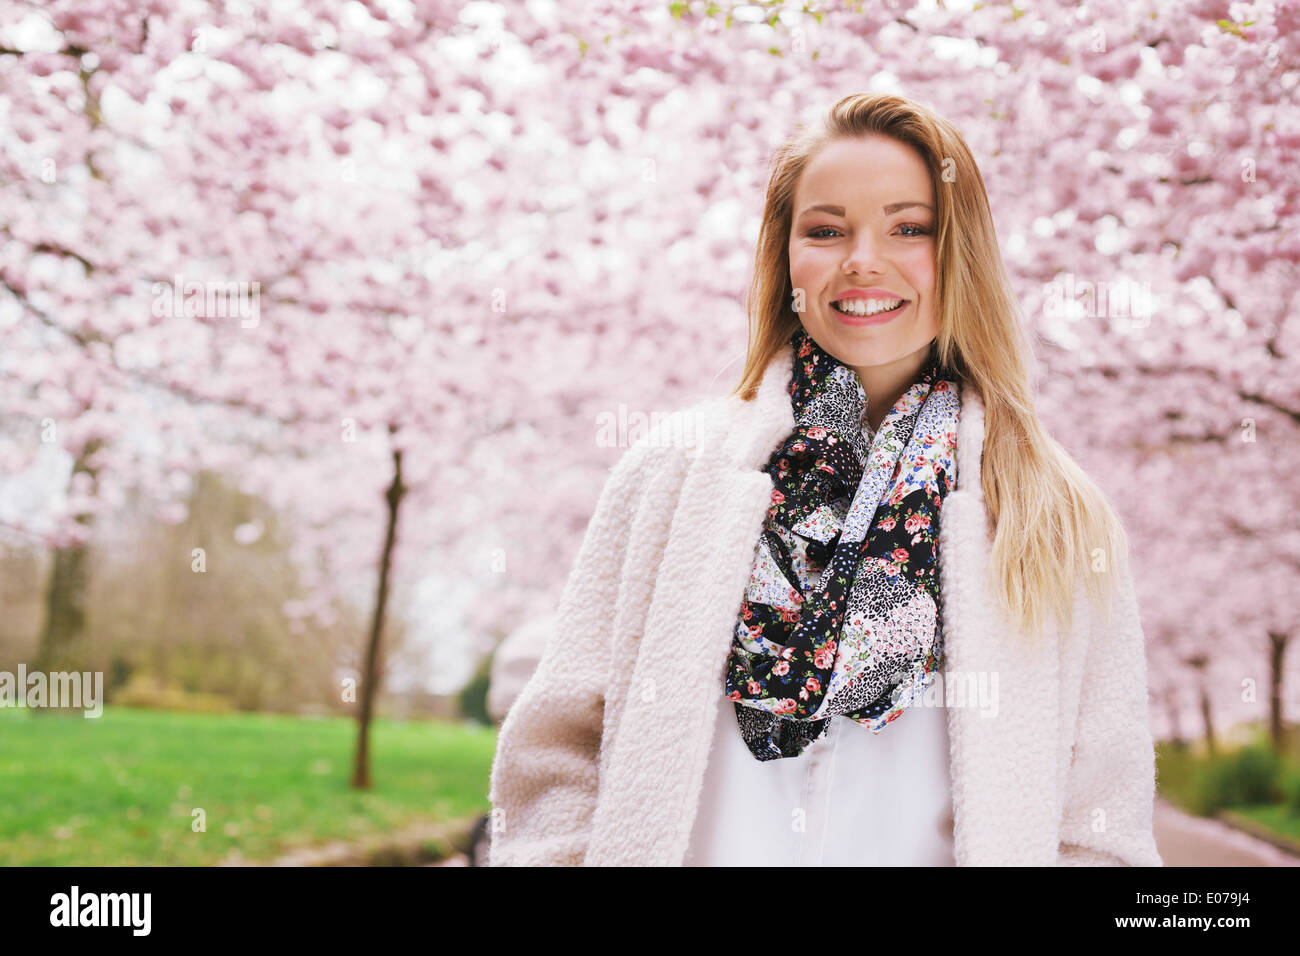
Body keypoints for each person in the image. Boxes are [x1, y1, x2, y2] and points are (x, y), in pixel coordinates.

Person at [487, 92, 1163, 867]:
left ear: (961, 252)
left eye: (910, 228)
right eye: (826, 229)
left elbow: (1101, 817)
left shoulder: (1050, 510)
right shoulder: (673, 473)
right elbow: (555, 749)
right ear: (786, 255)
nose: (862, 260)